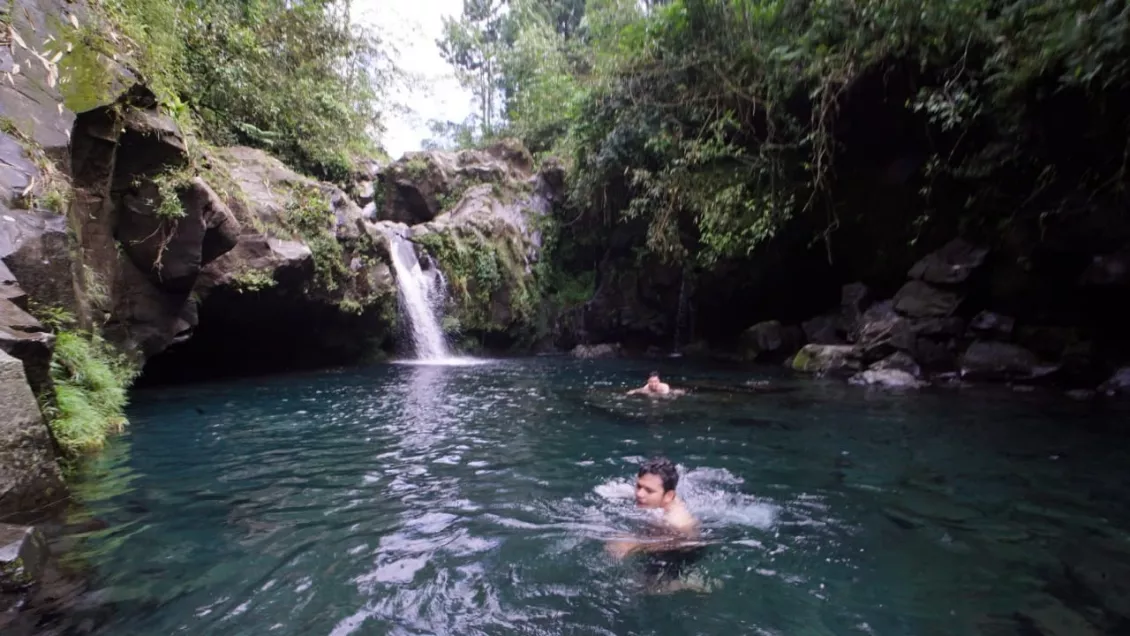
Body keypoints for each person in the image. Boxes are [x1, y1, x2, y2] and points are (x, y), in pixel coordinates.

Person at [605, 458, 710, 593]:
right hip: (663, 544)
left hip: (679, 555)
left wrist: (633, 545)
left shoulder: (677, 521)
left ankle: (693, 584)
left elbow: (680, 542)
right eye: (638, 486)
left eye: (649, 490)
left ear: (668, 496)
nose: (639, 494)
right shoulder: (659, 501)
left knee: (650, 590)